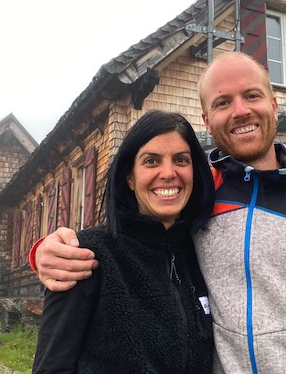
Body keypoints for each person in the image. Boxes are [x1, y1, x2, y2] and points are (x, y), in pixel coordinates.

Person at [31, 52, 286, 373]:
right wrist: (46, 251)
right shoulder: (198, 196)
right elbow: (139, 237)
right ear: (207, 120)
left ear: (274, 105)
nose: (240, 111)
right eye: (223, 102)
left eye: (252, 95)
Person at [32, 110, 214, 373]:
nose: (168, 172)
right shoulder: (86, 255)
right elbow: (52, 367)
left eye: (181, 160)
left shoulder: (201, 254)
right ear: (129, 177)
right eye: (151, 161)